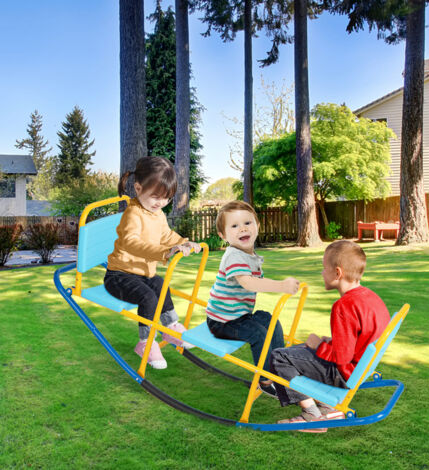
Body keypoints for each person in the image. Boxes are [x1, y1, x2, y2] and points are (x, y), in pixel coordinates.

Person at [271, 240, 390, 432]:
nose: (321, 273)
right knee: (295, 350)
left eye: (324, 268)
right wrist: (330, 342)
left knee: (279, 356)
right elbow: (359, 340)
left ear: (337, 272)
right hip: (359, 370)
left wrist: (319, 346)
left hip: (343, 374)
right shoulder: (370, 297)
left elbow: (341, 358)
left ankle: (312, 415)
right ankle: (329, 408)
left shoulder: (343, 306)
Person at [104, 156, 201, 370]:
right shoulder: (133, 214)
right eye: (156, 197)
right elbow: (131, 243)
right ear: (138, 188)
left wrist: (183, 243)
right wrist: (164, 252)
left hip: (142, 274)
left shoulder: (158, 214)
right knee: (148, 297)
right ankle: (145, 342)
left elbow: (166, 236)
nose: (161, 203)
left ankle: (170, 327)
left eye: (166, 198)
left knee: (160, 284)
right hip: (119, 275)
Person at [206, 200, 300, 397]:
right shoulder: (233, 256)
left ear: (257, 225)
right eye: (234, 226)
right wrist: (282, 286)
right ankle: (265, 381)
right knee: (258, 334)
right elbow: (248, 283)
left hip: (239, 315)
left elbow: (256, 281)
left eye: (247, 223)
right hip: (222, 321)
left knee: (270, 320)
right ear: (223, 235)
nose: (242, 229)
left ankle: (279, 368)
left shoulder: (249, 255)